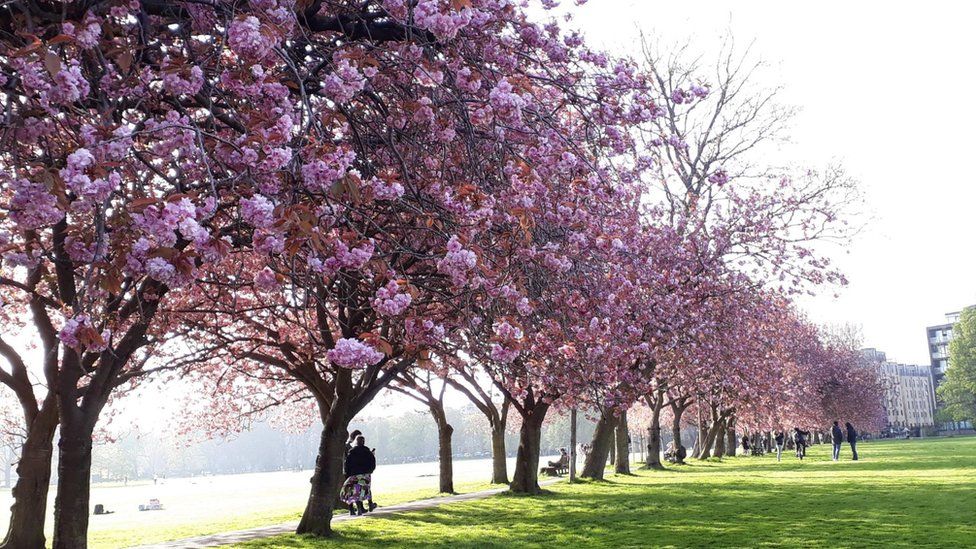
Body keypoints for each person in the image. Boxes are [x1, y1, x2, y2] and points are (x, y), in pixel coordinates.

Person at [340, 435, 377, 515]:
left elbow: (347, 465)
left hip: (354, 475)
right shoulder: (368, 453)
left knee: (351, 490)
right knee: (365, 489)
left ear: (356, 442)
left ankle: (353, 509)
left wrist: (348, 475)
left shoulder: (351, 453)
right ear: (364, 442)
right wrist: (369, 472)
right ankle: (370, 504)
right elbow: (373, 464)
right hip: (365, 475)